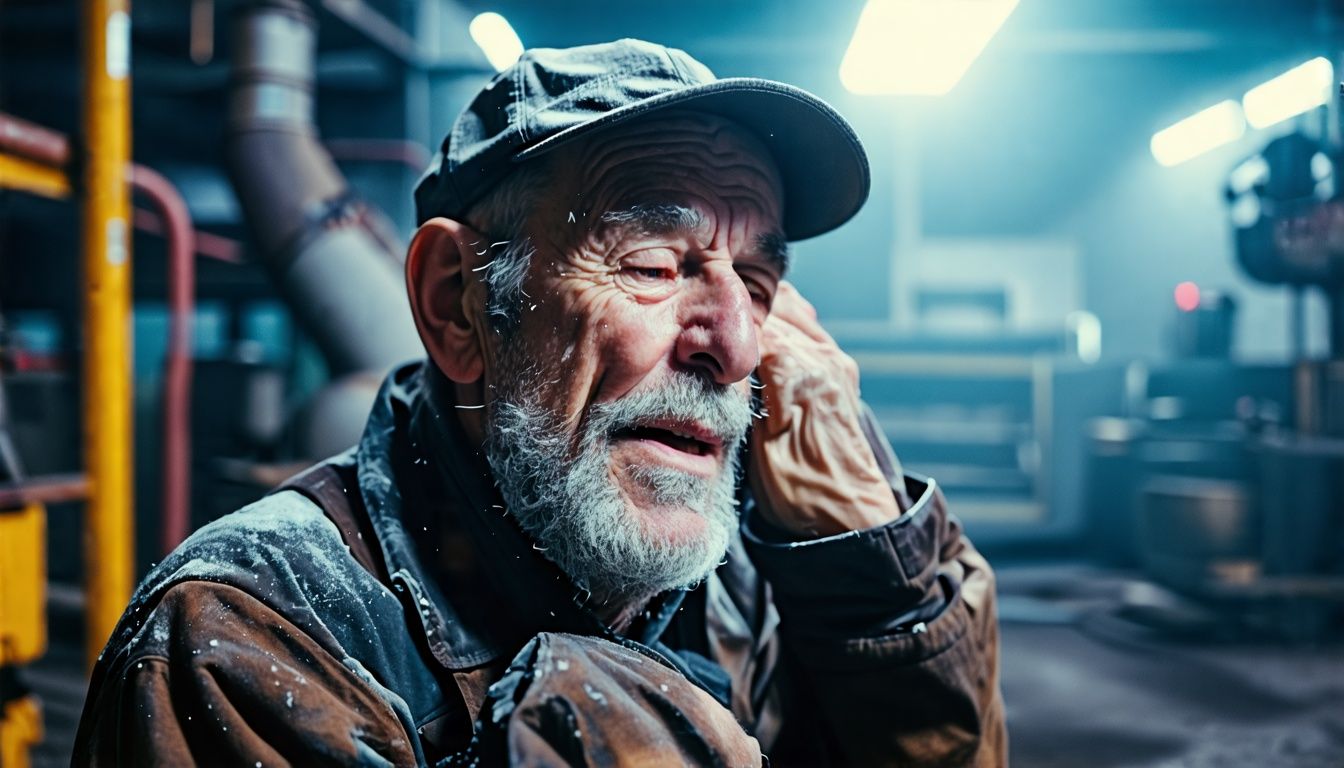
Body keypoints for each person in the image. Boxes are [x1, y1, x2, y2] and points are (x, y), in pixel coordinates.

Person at [74, 39, 1005, 766]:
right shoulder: (246, 639)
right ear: (459, 305)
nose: (736, 345)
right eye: (652, 264)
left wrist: (875, 586)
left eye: (756, 282)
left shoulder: (742, 576)